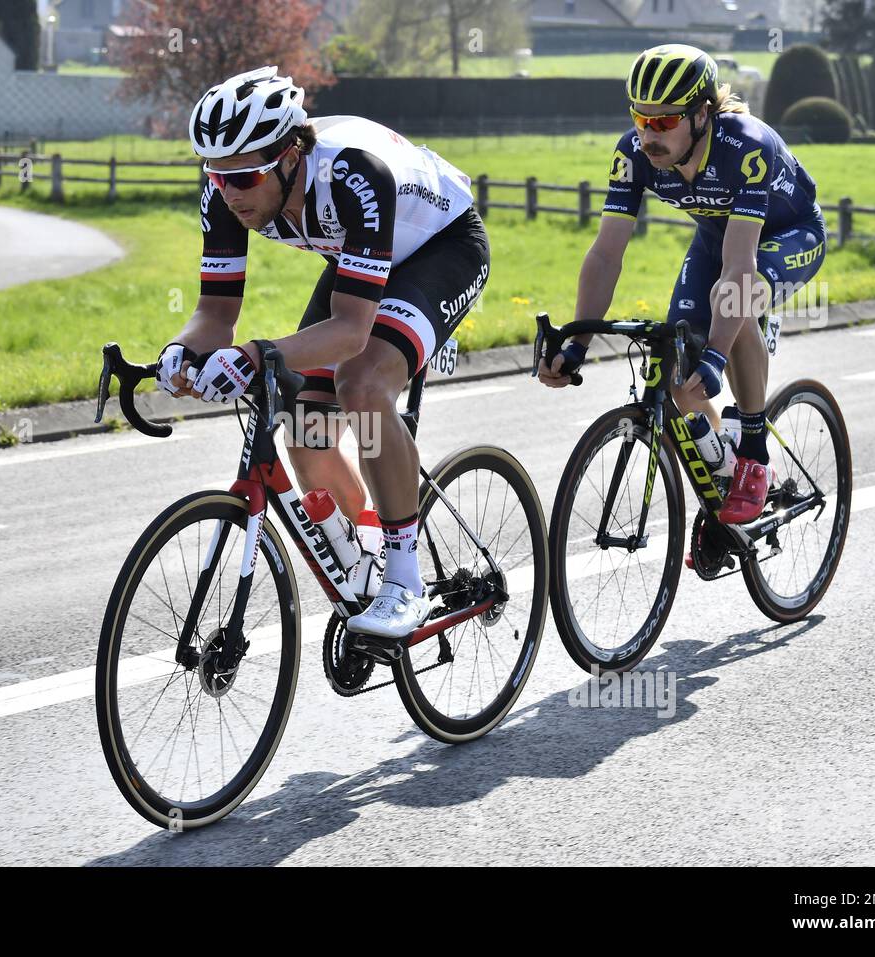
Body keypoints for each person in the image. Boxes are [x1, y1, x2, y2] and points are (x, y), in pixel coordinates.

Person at [157, 66, 490, 639]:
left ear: (290, 156)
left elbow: (353, 330)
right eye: (216, 177)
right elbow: (215, 313)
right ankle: (363, 562)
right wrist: (177, 354)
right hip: (360, 256)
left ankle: (404, 581)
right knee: (306, 432)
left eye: (244, 178)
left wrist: (257, 354)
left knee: (361, 385)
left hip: (442, 247)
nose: (228, 192)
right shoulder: (228, 192)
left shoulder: (352, 172)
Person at [539, 44, 826, 525]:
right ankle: (723, 465)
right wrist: (578, 340)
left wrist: (716, 354)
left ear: (701, 113)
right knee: (678, 374)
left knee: (732, 301)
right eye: (640, 118)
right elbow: (607, 253)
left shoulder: (746, 146)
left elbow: (740, 264)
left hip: (787, 235)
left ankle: (753, 452)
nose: (649, 133)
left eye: (664, 122)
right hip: (716, 235)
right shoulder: (633, 154)